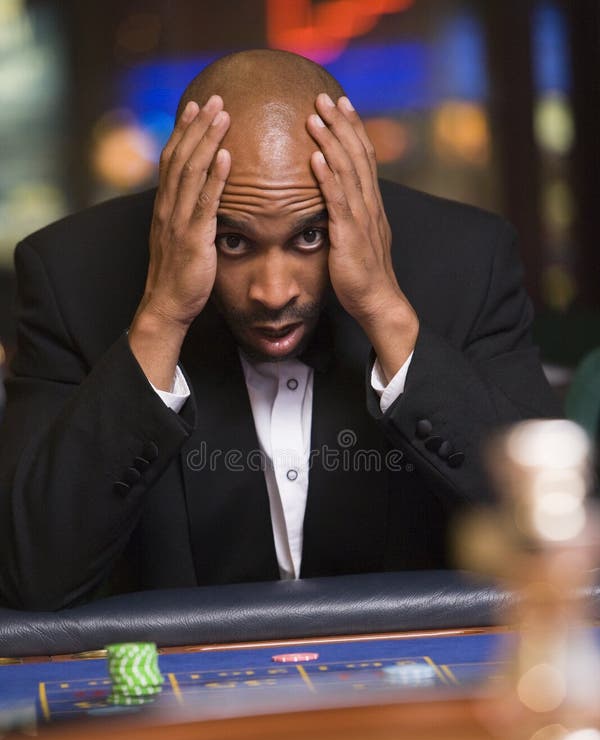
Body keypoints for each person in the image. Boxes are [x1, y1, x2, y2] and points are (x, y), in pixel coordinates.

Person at [0, 50, 559, 612]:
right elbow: (34, 577)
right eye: (234, 241)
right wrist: (162, 315)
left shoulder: (467, 261)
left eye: (309, 236)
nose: (273, 291)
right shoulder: (69, 276)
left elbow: (551, 528)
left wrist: (386, 310)